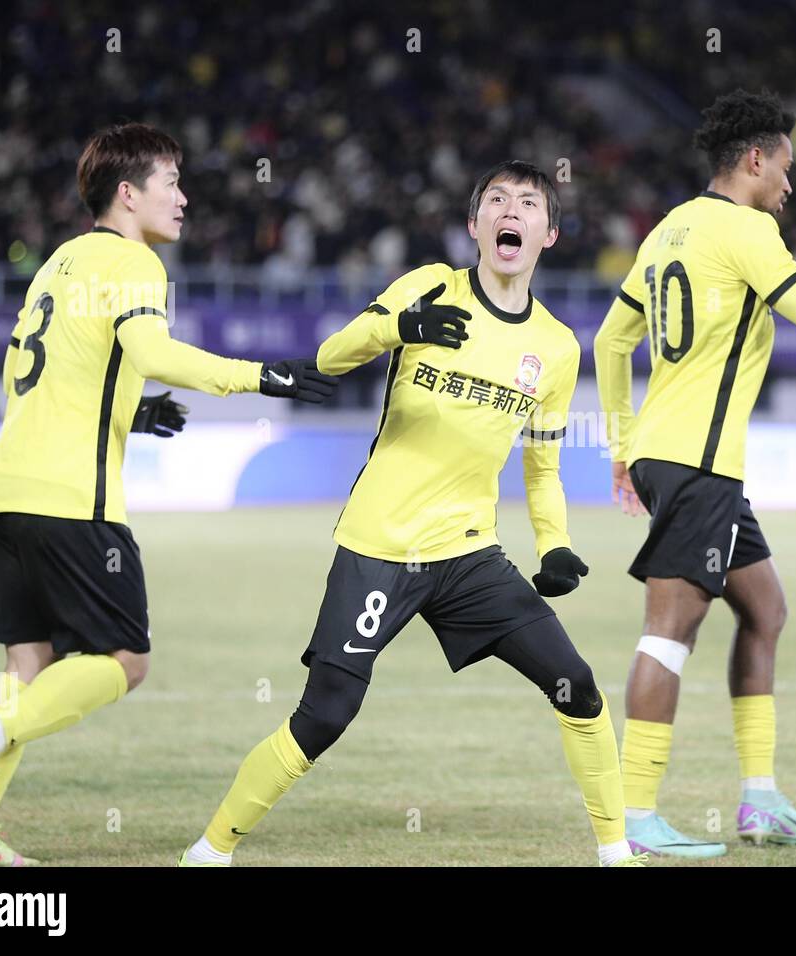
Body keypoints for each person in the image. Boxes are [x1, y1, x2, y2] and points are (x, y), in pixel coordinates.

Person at [180, 161, 643, 868]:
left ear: (548, 233)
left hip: (469, 553)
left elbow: (541, 464)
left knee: (575, 686)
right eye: (495, 200)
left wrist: (554, 545)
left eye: (527, 202)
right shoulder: (427, 287)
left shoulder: (552, 348)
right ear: (474, 225)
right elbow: (329, 358)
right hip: (380, 543)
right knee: (324, 717)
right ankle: (209, 852)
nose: (509, 210)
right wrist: (399, 326)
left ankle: (617, 854)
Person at [0, 123, 336, 867]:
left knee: (30, 666)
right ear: (128, 193)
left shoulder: (60, 261)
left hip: (9, 495)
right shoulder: (134, 262)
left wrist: (134, 411)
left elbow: (58, 367)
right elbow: (152, 352)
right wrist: (264, 375)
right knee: (126, 656)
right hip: (70, 499)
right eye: (172, 182)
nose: (184, 199)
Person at [593, 88, 796, 857]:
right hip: (699, 464)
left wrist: (624, 446)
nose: (791, 187)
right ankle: (633, 821)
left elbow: (607, 341)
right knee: (669, 634)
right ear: (754, 161)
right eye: (787, 170)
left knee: (764, 610)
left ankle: (760, 801)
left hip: (682, 458)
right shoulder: (747, 231)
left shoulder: (669, 228)